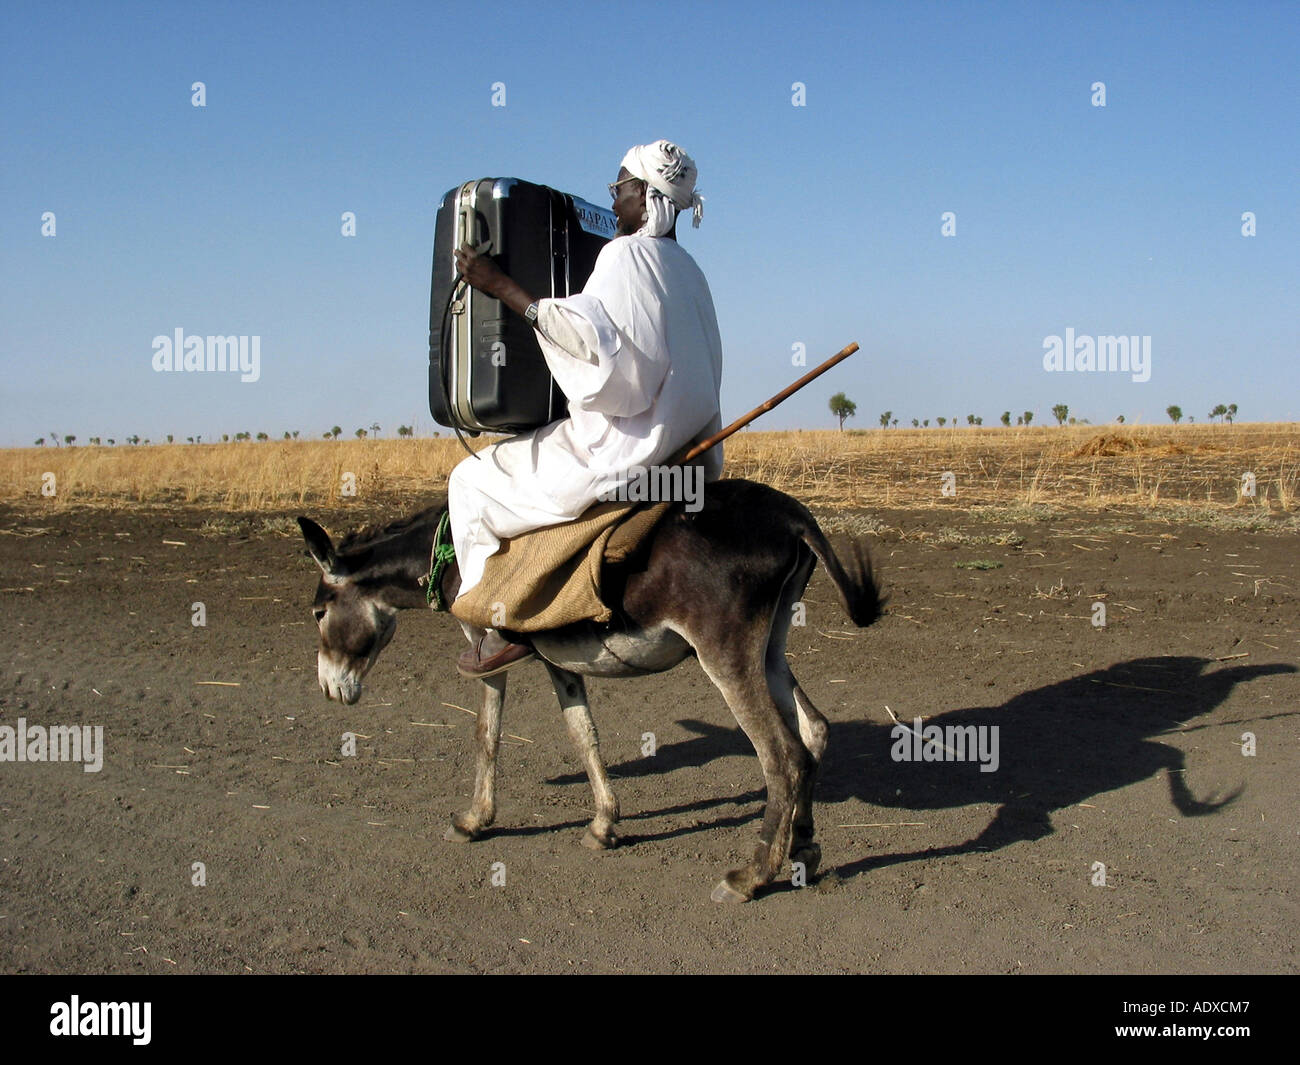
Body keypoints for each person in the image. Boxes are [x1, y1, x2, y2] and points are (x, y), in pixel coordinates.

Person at [448, 139, 724, 678]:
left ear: (645, 196)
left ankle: (505, 624)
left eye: (619, 187)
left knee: (470, 481)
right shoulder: (689, 268)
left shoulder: (623, 255)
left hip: (624, 454)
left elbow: (605, 366)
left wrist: (500, 286)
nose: (613, 198)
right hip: (688, 456)